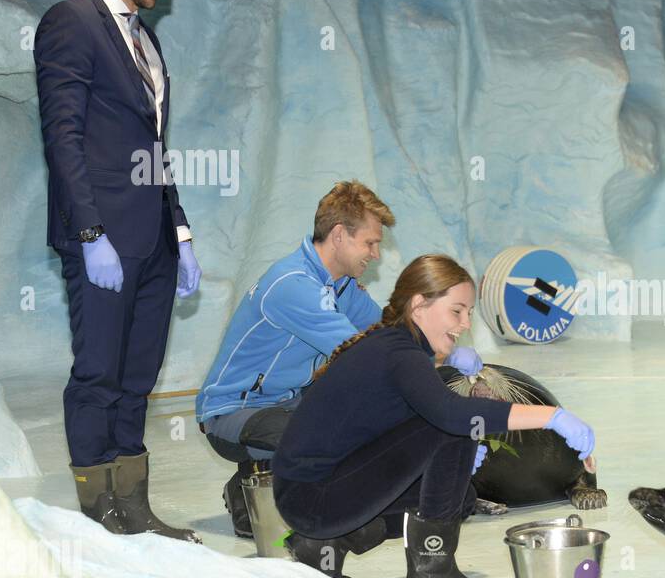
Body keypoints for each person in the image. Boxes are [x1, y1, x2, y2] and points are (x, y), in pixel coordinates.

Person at [272, 254, 595, 578]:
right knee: (452, 426)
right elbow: (449, 415)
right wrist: (551, 416)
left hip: (312, 498)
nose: (465, 323)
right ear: (419, 305)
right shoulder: (399, 354)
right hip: (313, 500)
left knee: (463, 496)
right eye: (456, 312)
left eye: (469, 313)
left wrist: (447, 469)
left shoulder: (394, 346)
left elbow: (394, 425)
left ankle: (320, 547)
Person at [35, 0, 202, 542]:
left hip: (153, 238)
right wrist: (89, 233)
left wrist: (179, 231)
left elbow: (154, 148)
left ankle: (134, 506)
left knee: (139, 375)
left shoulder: (147, 40)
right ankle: (96, 509)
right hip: (102, 237)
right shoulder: (70, 23)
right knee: (99, 372)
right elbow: (64, 138)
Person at [194, 181, 486, 538]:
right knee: (346, 440)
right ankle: (255, 486)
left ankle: (265, 476)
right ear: (338, 236)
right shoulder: (294, 286)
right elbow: (374, 358)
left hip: (289, 403)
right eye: (370, 243)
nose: (376, 254)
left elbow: (390, 333)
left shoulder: (340, 284)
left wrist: (448, 353)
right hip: (234, 414)